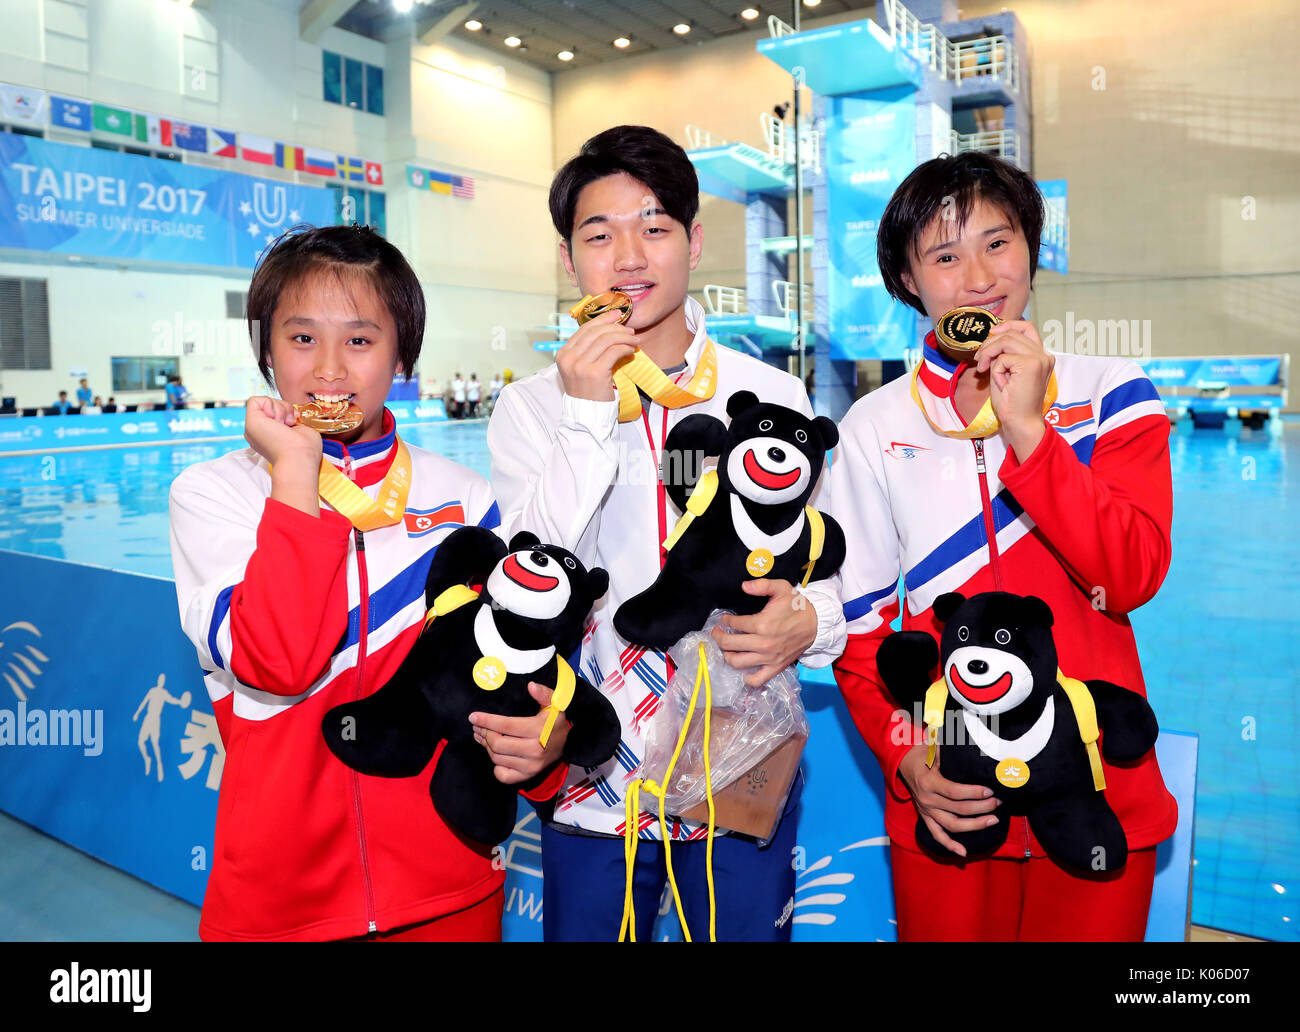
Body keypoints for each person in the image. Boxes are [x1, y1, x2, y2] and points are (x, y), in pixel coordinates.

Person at [488, 125, 846, 942]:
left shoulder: (769, 393)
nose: (629, 256)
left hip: (737, 748)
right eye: (598, 233)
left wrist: (810, 622)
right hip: (592, 754)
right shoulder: (532, 408)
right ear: (570, 259)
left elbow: (824, 571)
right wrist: (584, 416)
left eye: (654, 227)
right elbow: (523, 587)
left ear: (694, 243)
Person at [168, 224, 567, 942]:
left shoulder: (465, 500)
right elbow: (278, 661)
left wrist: (544, 749)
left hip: (451, 892)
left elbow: (507, 671)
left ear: (403, 354)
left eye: (359, 340)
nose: (329, 369)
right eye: (300, 339)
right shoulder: (213, 496)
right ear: (265, 349)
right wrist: (296, 474)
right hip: (280, 904)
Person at [829, 151, 1176, 941]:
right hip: (951, 797)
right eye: (944, 256)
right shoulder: (875, 427)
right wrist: (907, 759)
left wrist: (1032, 433)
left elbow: (1129, 576)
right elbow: (862, 631)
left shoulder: (1111, 392)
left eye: (998, 241)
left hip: (1095, 786)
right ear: (910, 280)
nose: (979, 276)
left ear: (1031, 248)